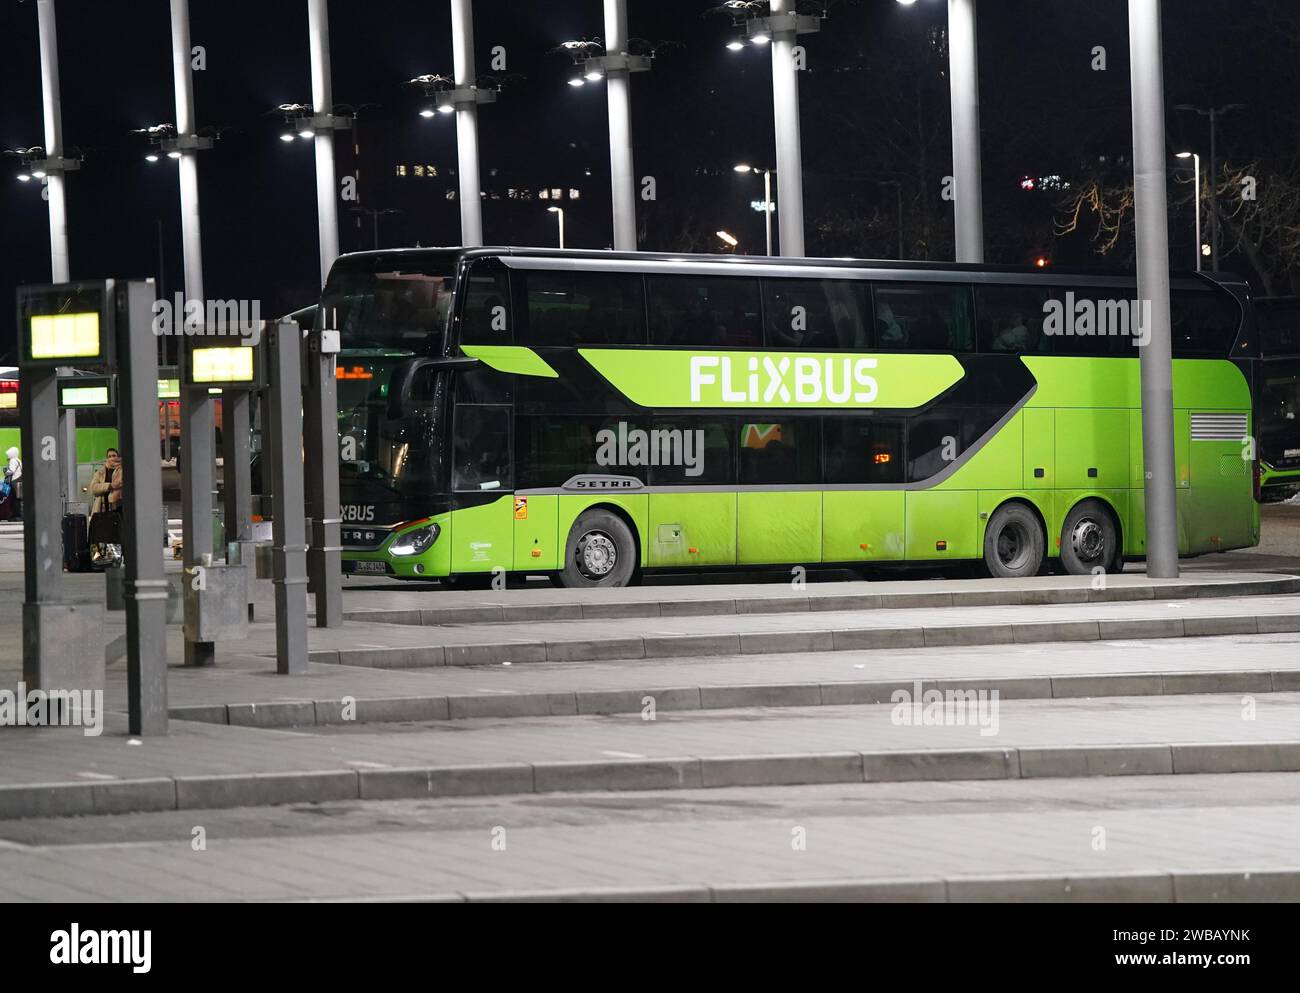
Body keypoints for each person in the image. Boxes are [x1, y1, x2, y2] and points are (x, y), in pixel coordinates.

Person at [87, 448, 122, 566]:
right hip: (101, 509)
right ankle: (99, 560)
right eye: (109, 456)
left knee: (114, 536)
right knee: (99, 535)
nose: (112, 458)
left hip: (116, 509)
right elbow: (94, 488)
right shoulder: (100, 472)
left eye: (114, 455)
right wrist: (110, 486)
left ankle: (114, 560)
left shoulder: (122, 470)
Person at [1, 447, 21, 521]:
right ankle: (18, 515)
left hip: (14, 481)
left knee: (13, 499)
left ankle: (14, 515)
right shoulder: (18, 460)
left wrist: (5, 471)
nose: (7, 455)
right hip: (19, 481)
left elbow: (10, 472)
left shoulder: (13, 460)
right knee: (17, 499)